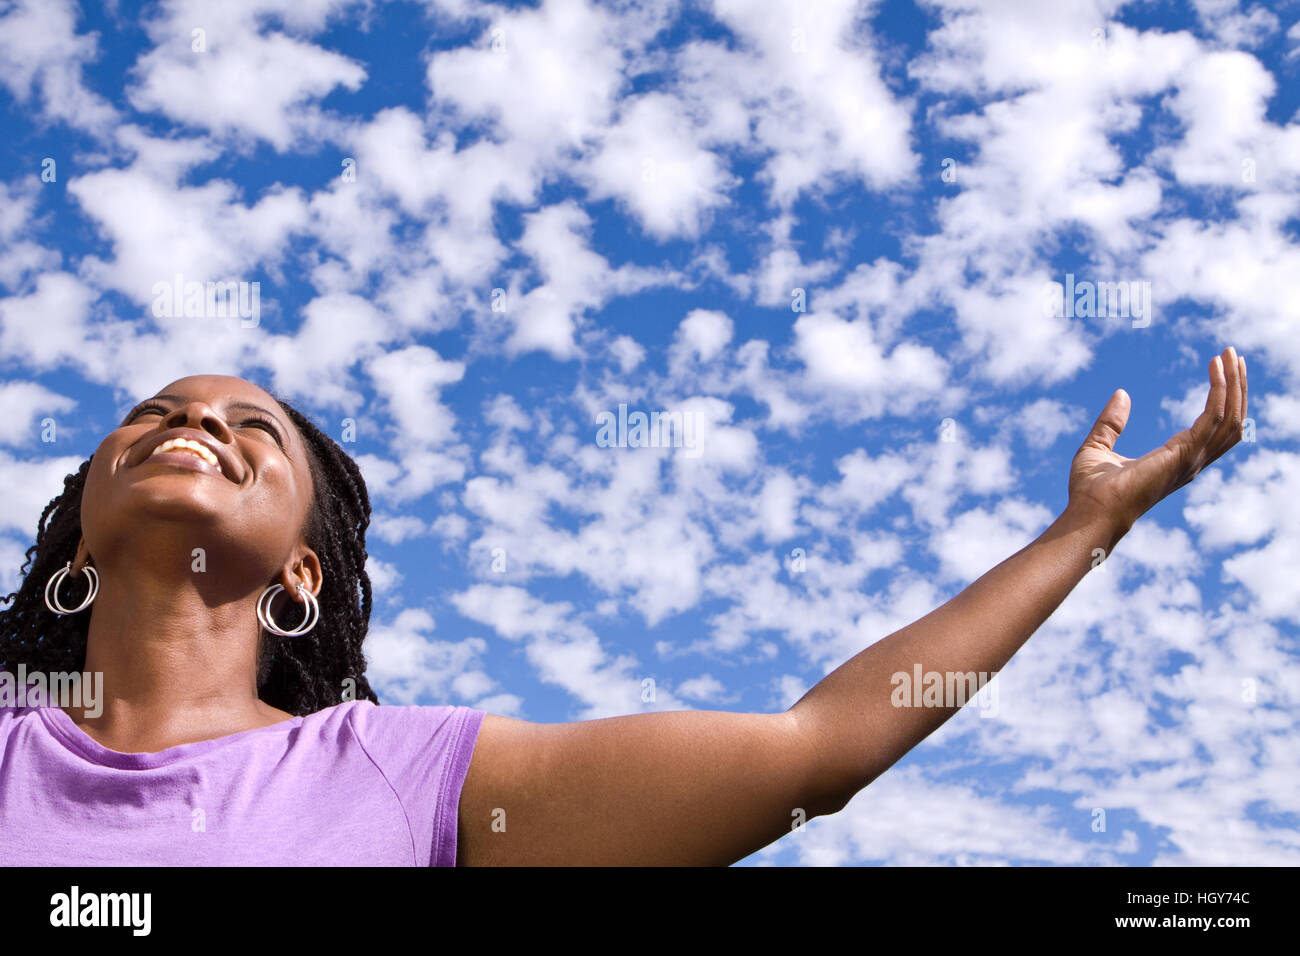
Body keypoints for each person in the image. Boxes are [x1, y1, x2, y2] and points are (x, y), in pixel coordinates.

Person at [0, 348, 1248, 865]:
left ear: (301, 575)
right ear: (82, 522)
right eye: (157, 413)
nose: (195, 423)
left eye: (244, 423)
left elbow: (817, 750)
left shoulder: (401, 776)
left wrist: (1085, 531)